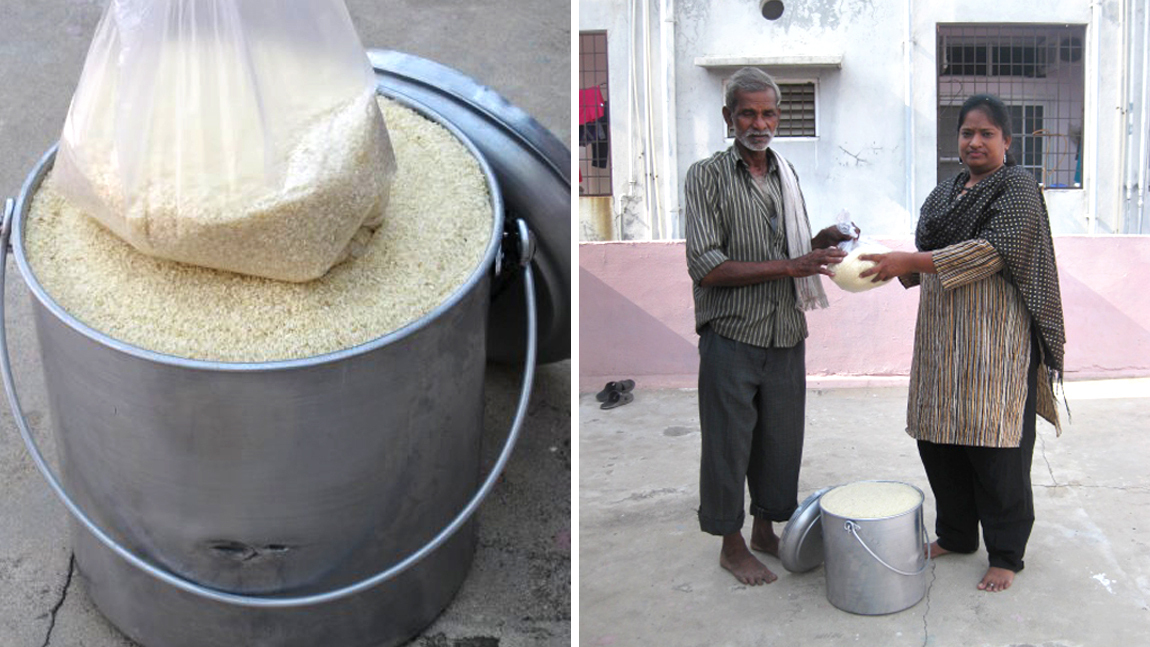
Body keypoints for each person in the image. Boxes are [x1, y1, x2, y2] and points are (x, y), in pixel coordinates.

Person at [859, 93, 1066, 593]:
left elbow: (990, 251)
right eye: (967, 132)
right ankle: (955, 534)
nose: (974, 141)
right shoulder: (943, 194)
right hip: (938, 343)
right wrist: (880, 267)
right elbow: (925, 252)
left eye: (987, 133)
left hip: (997, 346)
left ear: (1007, 141)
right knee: (939, 442)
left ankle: (1006, 553)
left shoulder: (1018, 187)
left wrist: (907, 261)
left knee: (998, 451)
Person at [684, 67, 850, 586]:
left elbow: (792, 250)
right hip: (732, 332)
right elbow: (706, 265)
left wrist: (824, 240)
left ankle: (763, 530)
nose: (760, 123)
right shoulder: (706, 176)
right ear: (728, 117)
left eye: (769, 113)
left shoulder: (785, 171)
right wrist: (791, 267)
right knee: (729, 442)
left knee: (780, 440)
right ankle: (731, 546)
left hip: (785, 330)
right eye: (749, 113)